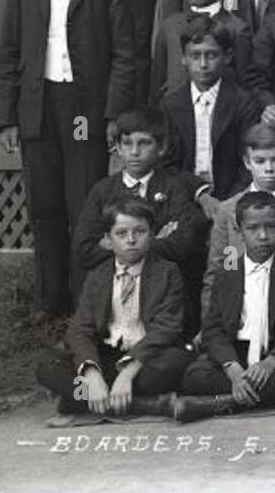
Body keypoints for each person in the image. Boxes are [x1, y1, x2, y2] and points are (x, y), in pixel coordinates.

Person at [0, 0, 135, 321]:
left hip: (80, 110)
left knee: (84, 203)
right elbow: (10, 54)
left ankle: (84, 304)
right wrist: (7, 119)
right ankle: (50, 303)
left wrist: (112, 114)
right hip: (39, 106)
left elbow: (125, 55)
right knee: (44, 205)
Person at [35, 197, 190, 416]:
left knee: (174, 365)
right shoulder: (98, 276)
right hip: (107, 357)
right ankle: (144, 405)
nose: (131, 240)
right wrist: (91, 374)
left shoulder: (167, 272)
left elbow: (167, 328)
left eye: (140, 231)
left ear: (152, 234)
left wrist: (127, 374)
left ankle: (83, 402)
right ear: (107, 239)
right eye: (121, 233)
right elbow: (80, 329)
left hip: (147, 358)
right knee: (48, 367)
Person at [177, 191, 275, 420]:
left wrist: (270, 363)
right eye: (253, 228)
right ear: (239, 230)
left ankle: (223, 404)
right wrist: (233, 369)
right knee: (193, 376)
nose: (263, 236)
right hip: (239, 354)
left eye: (271, 227)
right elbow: (213, 328)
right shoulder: (229, 268)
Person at [71, 108, 202, 332]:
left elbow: (182, 244)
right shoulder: (103, 191)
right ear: (118, 148)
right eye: (127, 143)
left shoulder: (173, 187)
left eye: (144, 143)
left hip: (159, 294)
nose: (134, 152)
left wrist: (113, 243)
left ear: (161, 148)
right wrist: (156, 239)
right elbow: (84, 251)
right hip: (113, 289)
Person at [160, 14, 263, 210]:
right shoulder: (171, 104)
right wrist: (198, 195)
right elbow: (168, 165)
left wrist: (229, 203)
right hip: (184, 199)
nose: (203, 65)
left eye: (212, 55)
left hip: (232, 198)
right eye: (195, 56)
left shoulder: (243, 103)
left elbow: (249, 161)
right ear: (183, 58)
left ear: (227, 56)